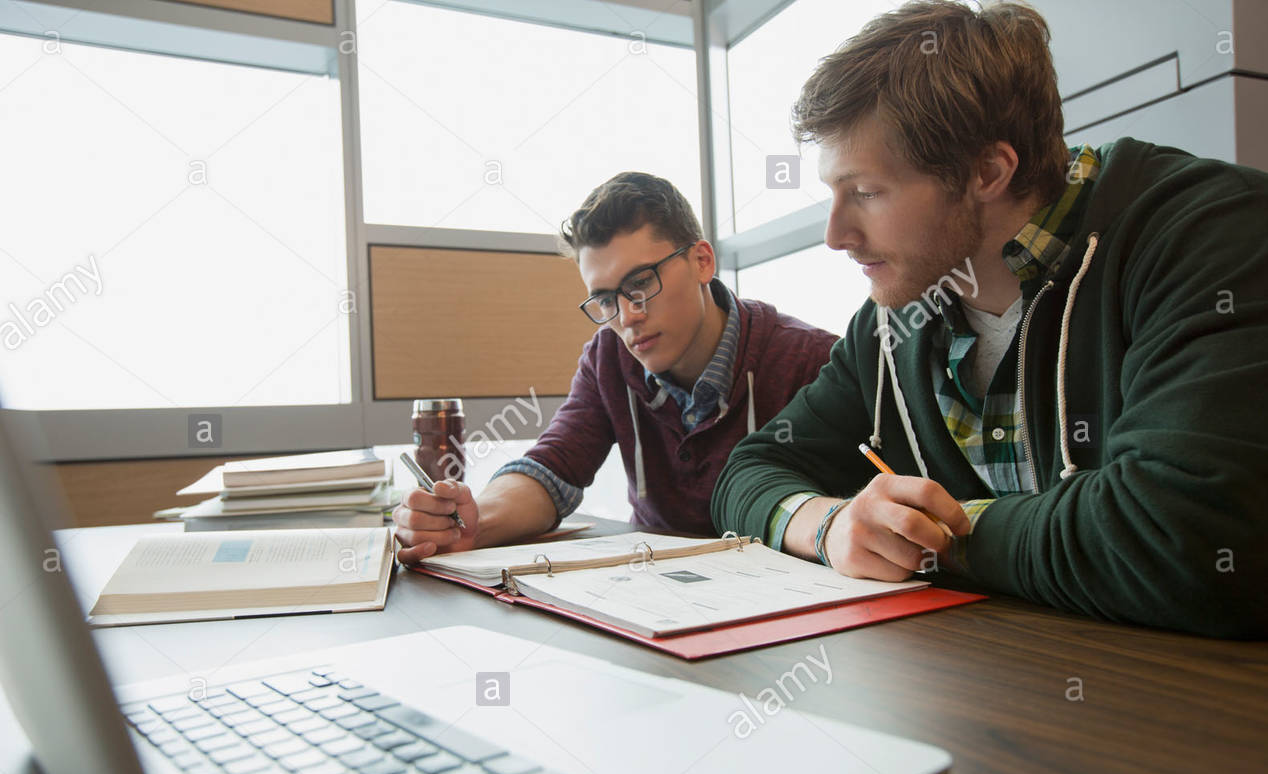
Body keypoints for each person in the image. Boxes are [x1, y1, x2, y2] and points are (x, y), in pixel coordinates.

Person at [711, 0, 1268, 637]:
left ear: (988, 170)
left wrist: (928, 538)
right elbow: (747, 472)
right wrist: (832, 524)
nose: (836, 234)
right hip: (1002, 704)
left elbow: (1187, 539)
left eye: (865, 192)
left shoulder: (1209, 235)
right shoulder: (889, 323)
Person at [393, 172, 837, 561]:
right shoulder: (608, 356)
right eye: (605, 299)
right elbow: (554, 468)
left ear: (702, 261)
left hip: (785, 614)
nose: (627, 316)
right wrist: (475, 519)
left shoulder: (810, 360)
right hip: (658, 603)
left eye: (641, 283)